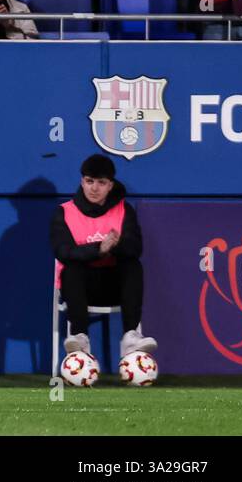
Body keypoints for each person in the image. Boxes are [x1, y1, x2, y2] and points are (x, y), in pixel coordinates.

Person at [53, 154, 157, 360]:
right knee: (72, 268)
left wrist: (115, 246)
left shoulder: (123, 210)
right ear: (82, 182)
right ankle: (80, 335)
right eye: (89, 181)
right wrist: (99, 249)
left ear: (110, 185)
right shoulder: (64, 212)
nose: (94, 188)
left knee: (133, 265)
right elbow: (62, 252)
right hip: (79, 289)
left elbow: (136, 248)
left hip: (114, 287)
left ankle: (130, 336)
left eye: (101, 183)